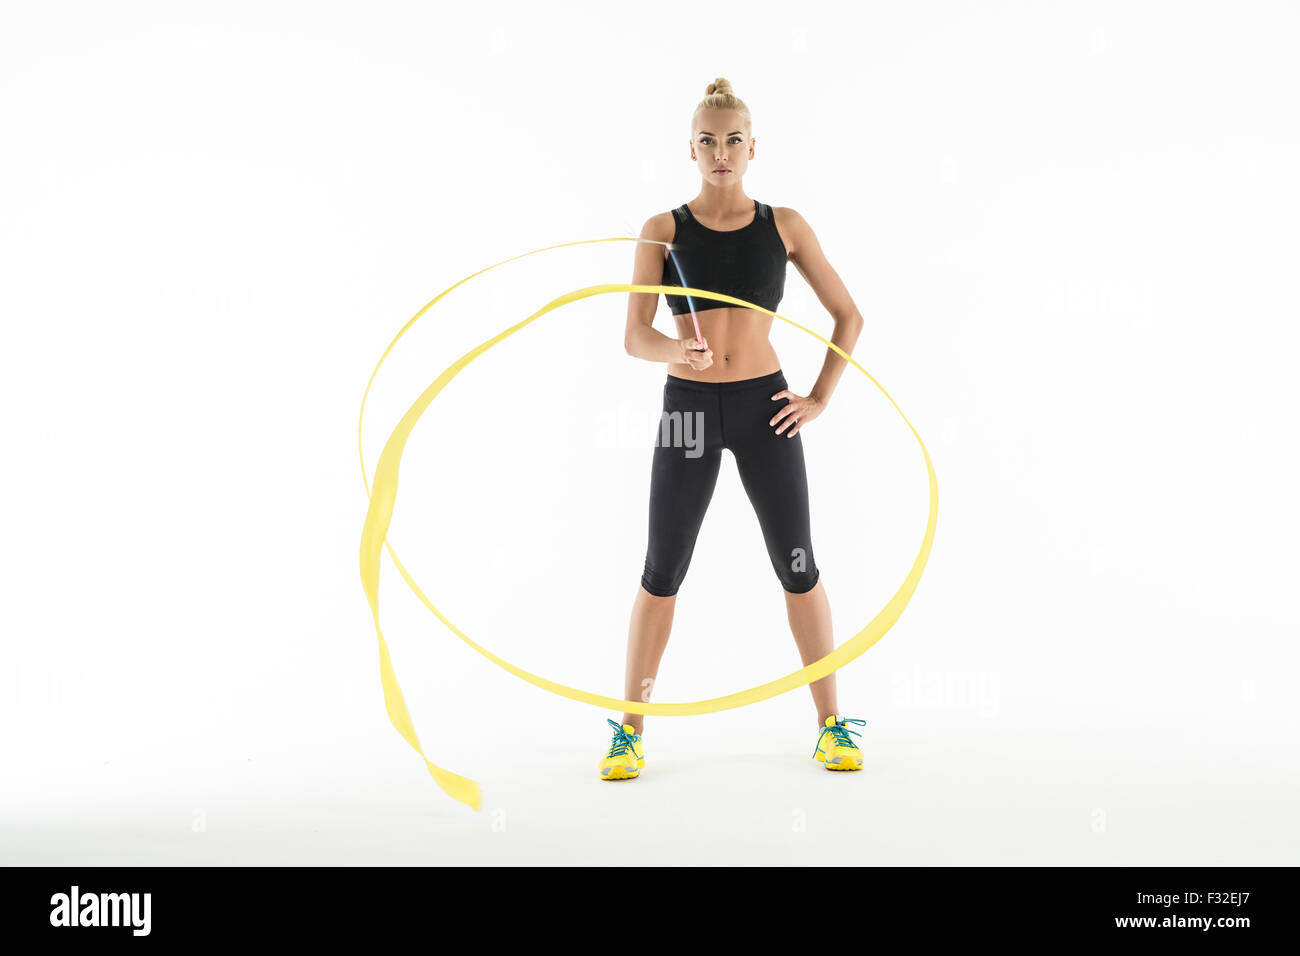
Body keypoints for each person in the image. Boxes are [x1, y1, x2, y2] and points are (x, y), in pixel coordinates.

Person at [600, 77, 869, 781]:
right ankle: (629, 732)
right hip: (690, 408)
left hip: (764, 409)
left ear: (754, 148)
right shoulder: (662, 230)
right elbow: (634, 336)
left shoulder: (785, 226)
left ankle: (831, 725)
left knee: (798, 564)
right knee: (662, 572)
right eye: (709, 141)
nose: (722, 152)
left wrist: (817, 397)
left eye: (734, 140)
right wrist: (673, 350)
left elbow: (850, 316)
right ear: (691, 150)